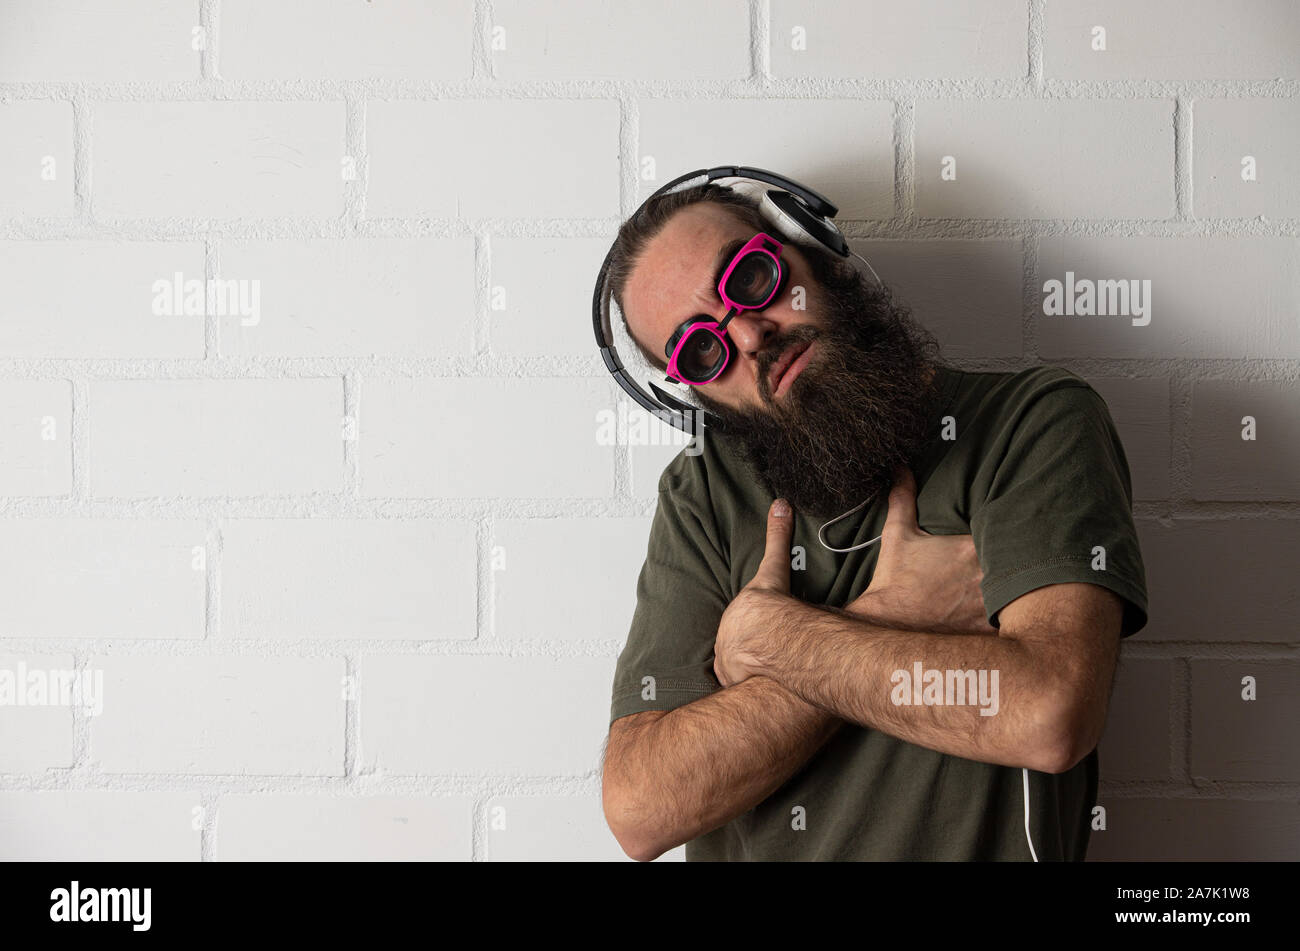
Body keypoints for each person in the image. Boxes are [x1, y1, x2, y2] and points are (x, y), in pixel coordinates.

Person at [599, 182, 1149, 861]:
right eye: (701, 350)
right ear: (698, 391)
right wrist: (892, 610)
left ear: (812, 249)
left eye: (750, 276)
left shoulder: (1032, 423)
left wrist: (776, 640)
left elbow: (1050, 713)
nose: (748, 334)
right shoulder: (704, 493)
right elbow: (641, 808)